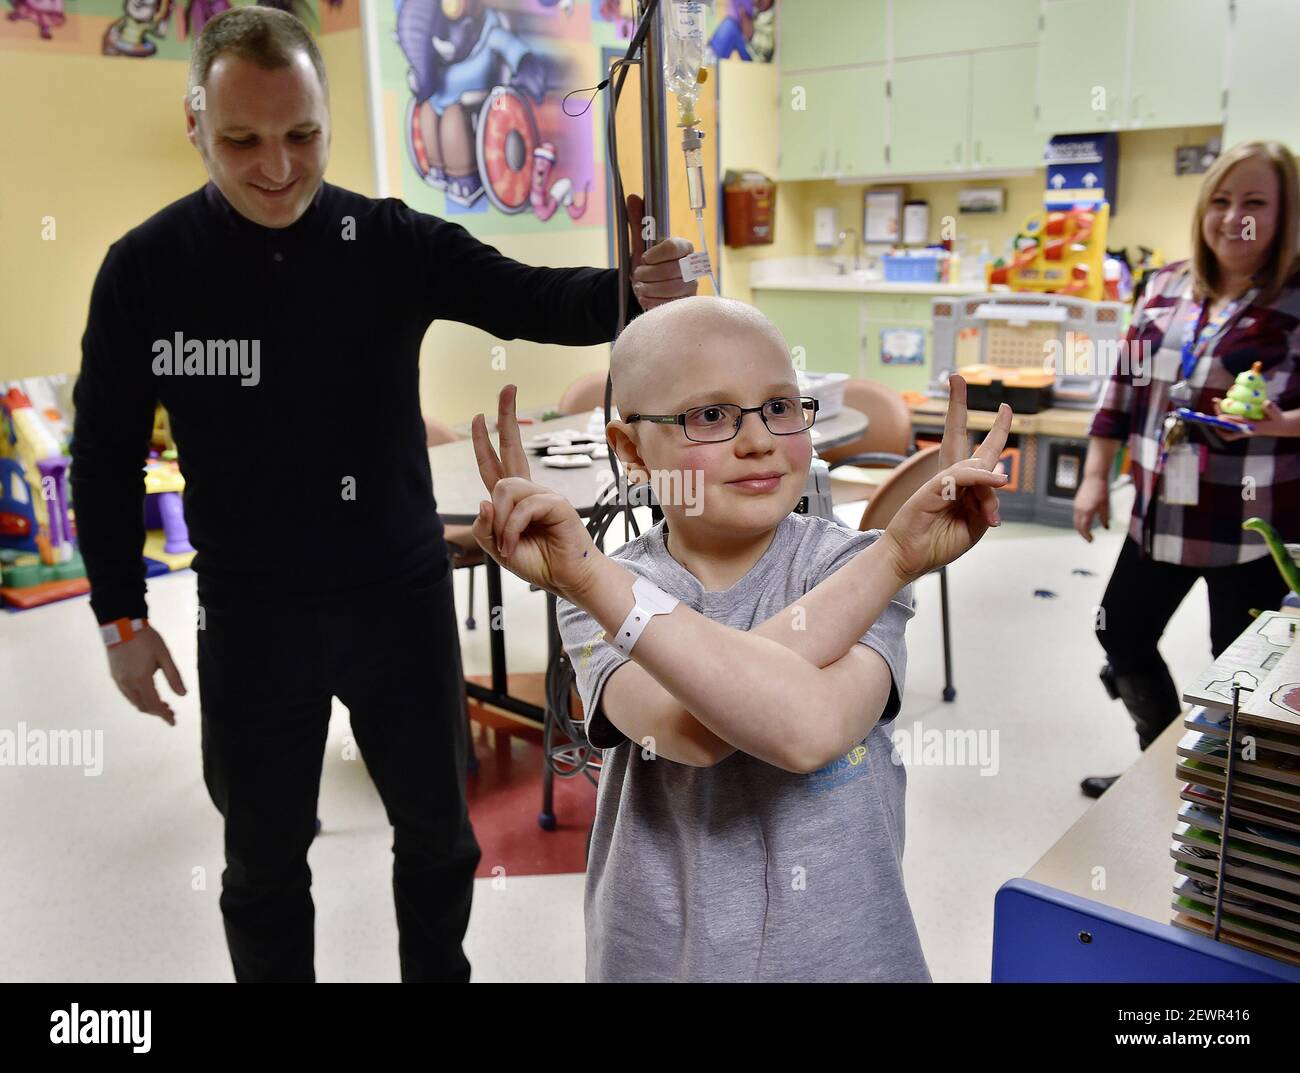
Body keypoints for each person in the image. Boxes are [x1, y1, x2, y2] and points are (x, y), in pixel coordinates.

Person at [70, 6, 697, 982]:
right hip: (250, 613)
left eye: (301, 135)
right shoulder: (145, 271)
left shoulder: (386, 239)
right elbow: (102, 455)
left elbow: (529, 295)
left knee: (439, 839)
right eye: (242, 139)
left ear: (326, 118)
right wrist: (120, 617)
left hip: (395, 595)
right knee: (263, 861)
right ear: (197, 123)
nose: (276, 165)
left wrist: (632, 293)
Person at [467, 296, 1012, 981]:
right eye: (711, 415)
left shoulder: (855, 565)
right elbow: (692, 734)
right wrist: (587, 579)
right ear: (632, 449)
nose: (758, 440)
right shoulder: (600, 594)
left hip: (846, 957)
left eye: (780, 407)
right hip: (670, 957)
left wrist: (894, 559)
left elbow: (806, 729)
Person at [1074, 140, 1300, 798]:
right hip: (1161, 513)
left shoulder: (1294, 298)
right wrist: (1093, 476)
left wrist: (1286, 423)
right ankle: (1164, 765)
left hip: (1252, 526)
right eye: (1221, 201)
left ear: (1284, 212)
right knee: (1119, 630)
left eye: (1255, 202)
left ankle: (1229, 794)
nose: (1235, 218)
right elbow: (1120, 387)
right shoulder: (1166, 285)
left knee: (1241, 671)